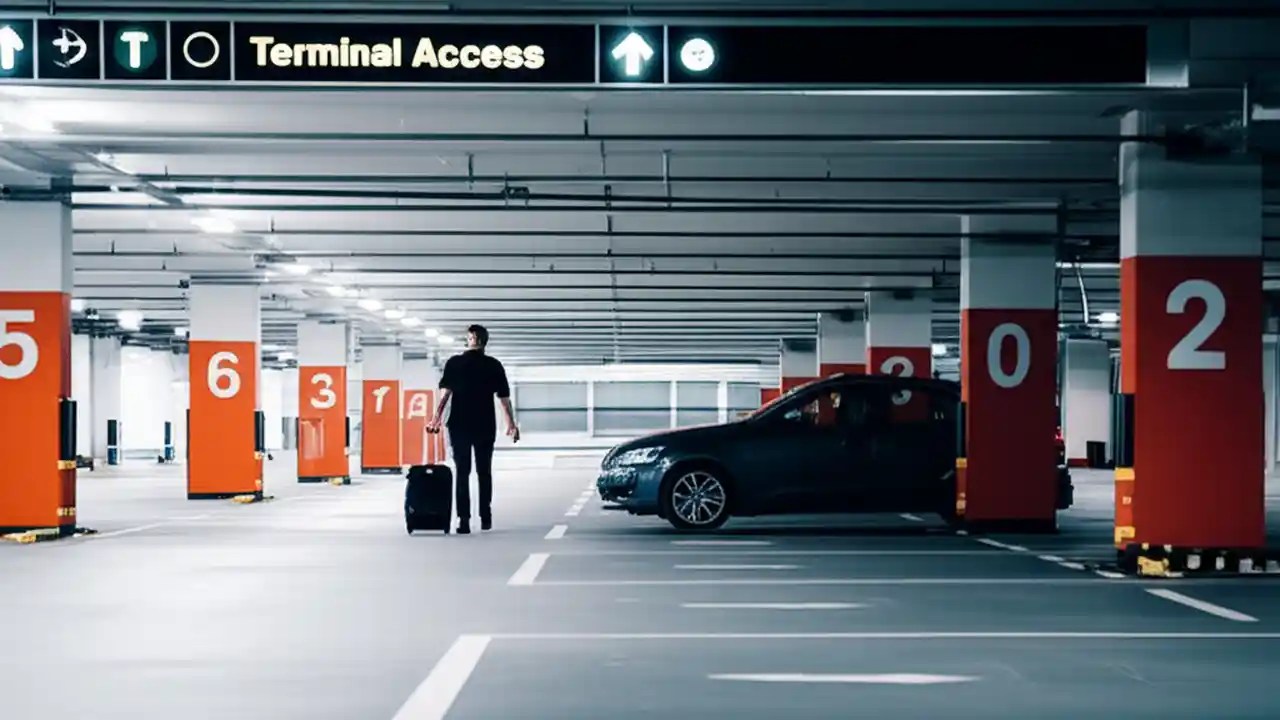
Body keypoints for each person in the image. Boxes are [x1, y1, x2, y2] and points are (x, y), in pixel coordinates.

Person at [426, 324, 519, 534]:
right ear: (484, 342)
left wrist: (435, 419)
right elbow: (504, 400)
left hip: (459, 425)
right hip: (483, 425)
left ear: (471, 340)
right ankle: (484, 517)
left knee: (463, 472)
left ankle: (464, 520)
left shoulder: (455, 363)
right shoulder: (493, 365)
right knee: (483, 472)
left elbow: (445, 396)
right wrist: (510, 424)